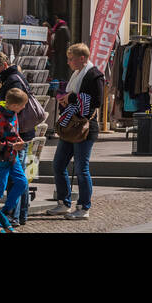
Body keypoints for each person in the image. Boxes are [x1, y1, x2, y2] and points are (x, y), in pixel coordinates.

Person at [46, 42, 105, 220]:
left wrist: (71, 97)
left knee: (81, 168)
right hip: (71, 126)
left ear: (82, 58)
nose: (69, 63)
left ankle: (83, 206)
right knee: (58, 164)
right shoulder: (77, 73)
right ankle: (64, 202)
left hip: (85, 128)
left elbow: (96, 101)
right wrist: (66, 98)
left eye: (71, 59)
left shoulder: (95, 75)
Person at [0, 88, 29, 224]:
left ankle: (5, 212)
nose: (24, 107)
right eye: (23, 105)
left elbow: (13, 131)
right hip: (0, 158)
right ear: (14, 105)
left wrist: (18, 140)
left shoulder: (12, 113)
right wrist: (11, 146)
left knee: (22, 182)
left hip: (12, 156)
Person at [48, 15, 71, 86]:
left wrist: (55, 49)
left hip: (60, 52)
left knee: (60, 69)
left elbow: (58, 42)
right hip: (62, 52)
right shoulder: (64, 28)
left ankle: (60, 83)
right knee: (62, 69)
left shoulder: (61, 29)